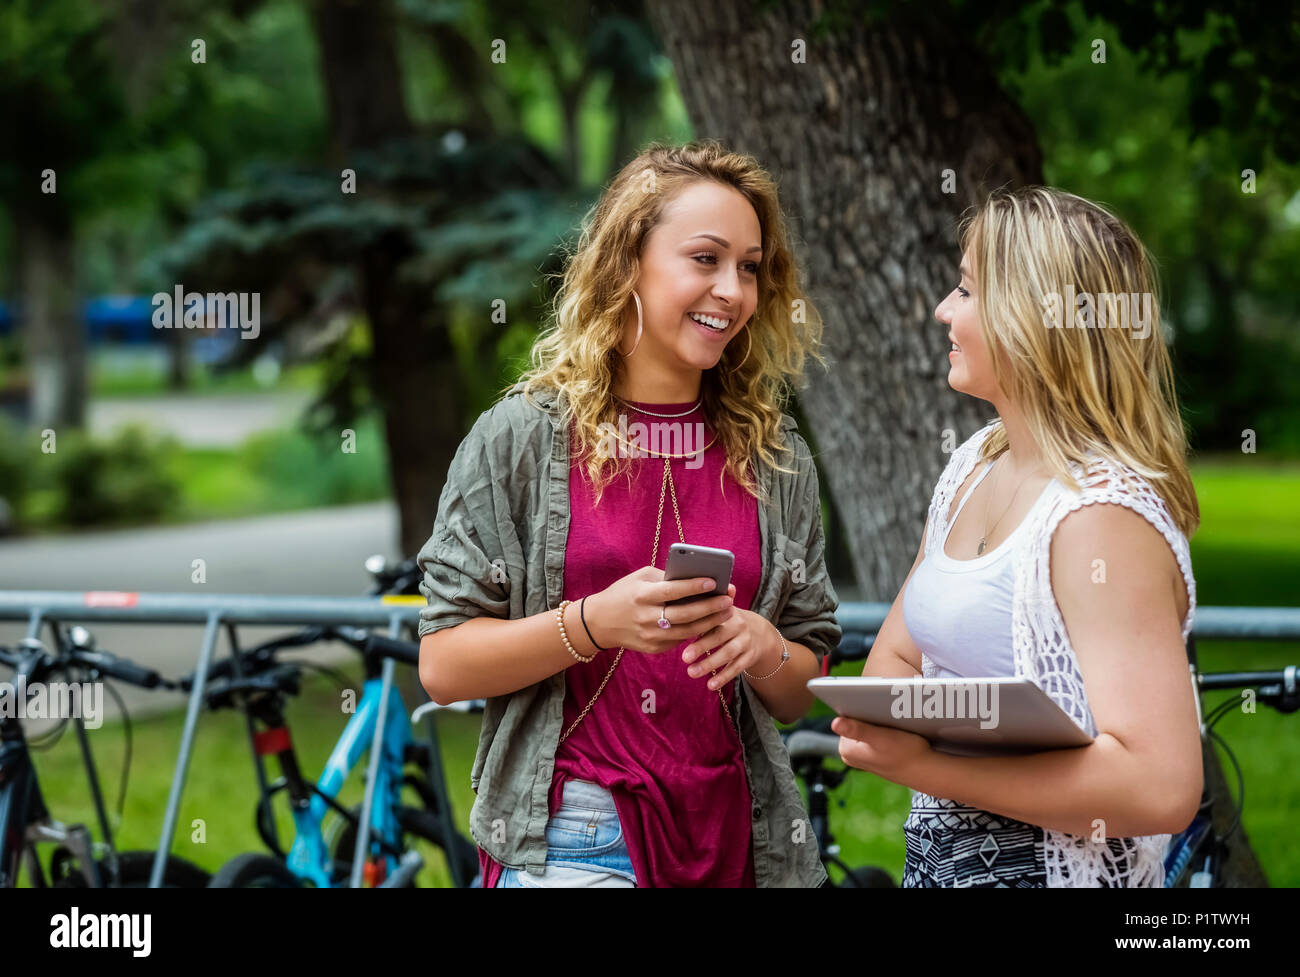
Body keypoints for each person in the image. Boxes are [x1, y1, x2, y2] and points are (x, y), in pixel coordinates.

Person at [416, 141, 841, 887]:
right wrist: (591, 623)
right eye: (705, 259)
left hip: (736, 840)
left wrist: (762, 643)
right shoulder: (523, 438)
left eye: (749, 267)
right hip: (582, 837)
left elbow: (801, 687)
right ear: (627, 265)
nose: (733, 290)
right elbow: (444, 664)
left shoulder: (776, 456)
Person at [835, 186, 1203, 887]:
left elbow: (1159, 786)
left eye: (968, 290)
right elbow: (894, 660)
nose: (944, 308)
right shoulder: (975, 462)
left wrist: (925, 762)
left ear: (1035, 319)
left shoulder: (1102, 514)